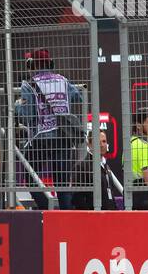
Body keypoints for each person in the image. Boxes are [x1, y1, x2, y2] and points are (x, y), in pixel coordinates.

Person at [16, 49, 85, 210]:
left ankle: (47, 209)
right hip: (64, 137)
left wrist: (17, 106)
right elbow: (78, 97)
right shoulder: (63, 80)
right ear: (50, 63)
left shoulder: (28, 84)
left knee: (30, 177)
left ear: (31, 64)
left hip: (41, 139)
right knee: (62, 183)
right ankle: (65, 218)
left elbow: (28, 115)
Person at [69, 130, 118, 210]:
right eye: (98, 142)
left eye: (104, 141)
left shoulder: (105, 166)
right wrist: (91, 216)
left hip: (109, 215)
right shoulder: (81, 167)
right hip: (93, 218)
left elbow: (110, 194)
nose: (102, 145)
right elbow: (78, 199)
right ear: (89, 144)